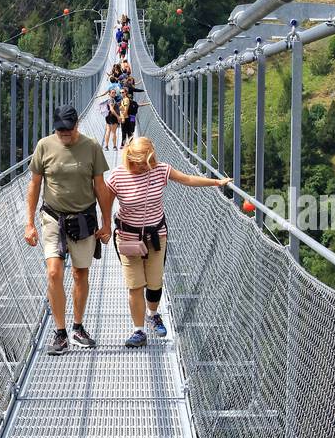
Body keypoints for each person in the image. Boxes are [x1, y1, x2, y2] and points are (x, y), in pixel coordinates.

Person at [104, 136, 231, 347]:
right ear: (131, 159)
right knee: (135, 285)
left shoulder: (160, 170)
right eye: (140, 164)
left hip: (156, 236)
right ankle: (138, 331)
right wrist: (105, 226)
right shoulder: (118, 176)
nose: (144, 168)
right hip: (127, 237)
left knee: (154, 284)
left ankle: (153, 314)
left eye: (148, 164)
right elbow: (105, 200)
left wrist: (216, 182)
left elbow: (187, 179)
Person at [25, 105, 113, 355]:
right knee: (54, 273)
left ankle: (77, 326)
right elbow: (34, 185)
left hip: (83, 218)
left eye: (68, 128)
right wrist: (29, 223)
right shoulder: (44, 145)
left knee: (79, 274)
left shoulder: (92, 146)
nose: (64, 133)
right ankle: (60, 332)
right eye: (59, 129)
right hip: (52, 217)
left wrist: (107, 223)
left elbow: (101, 187)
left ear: (77, 125)